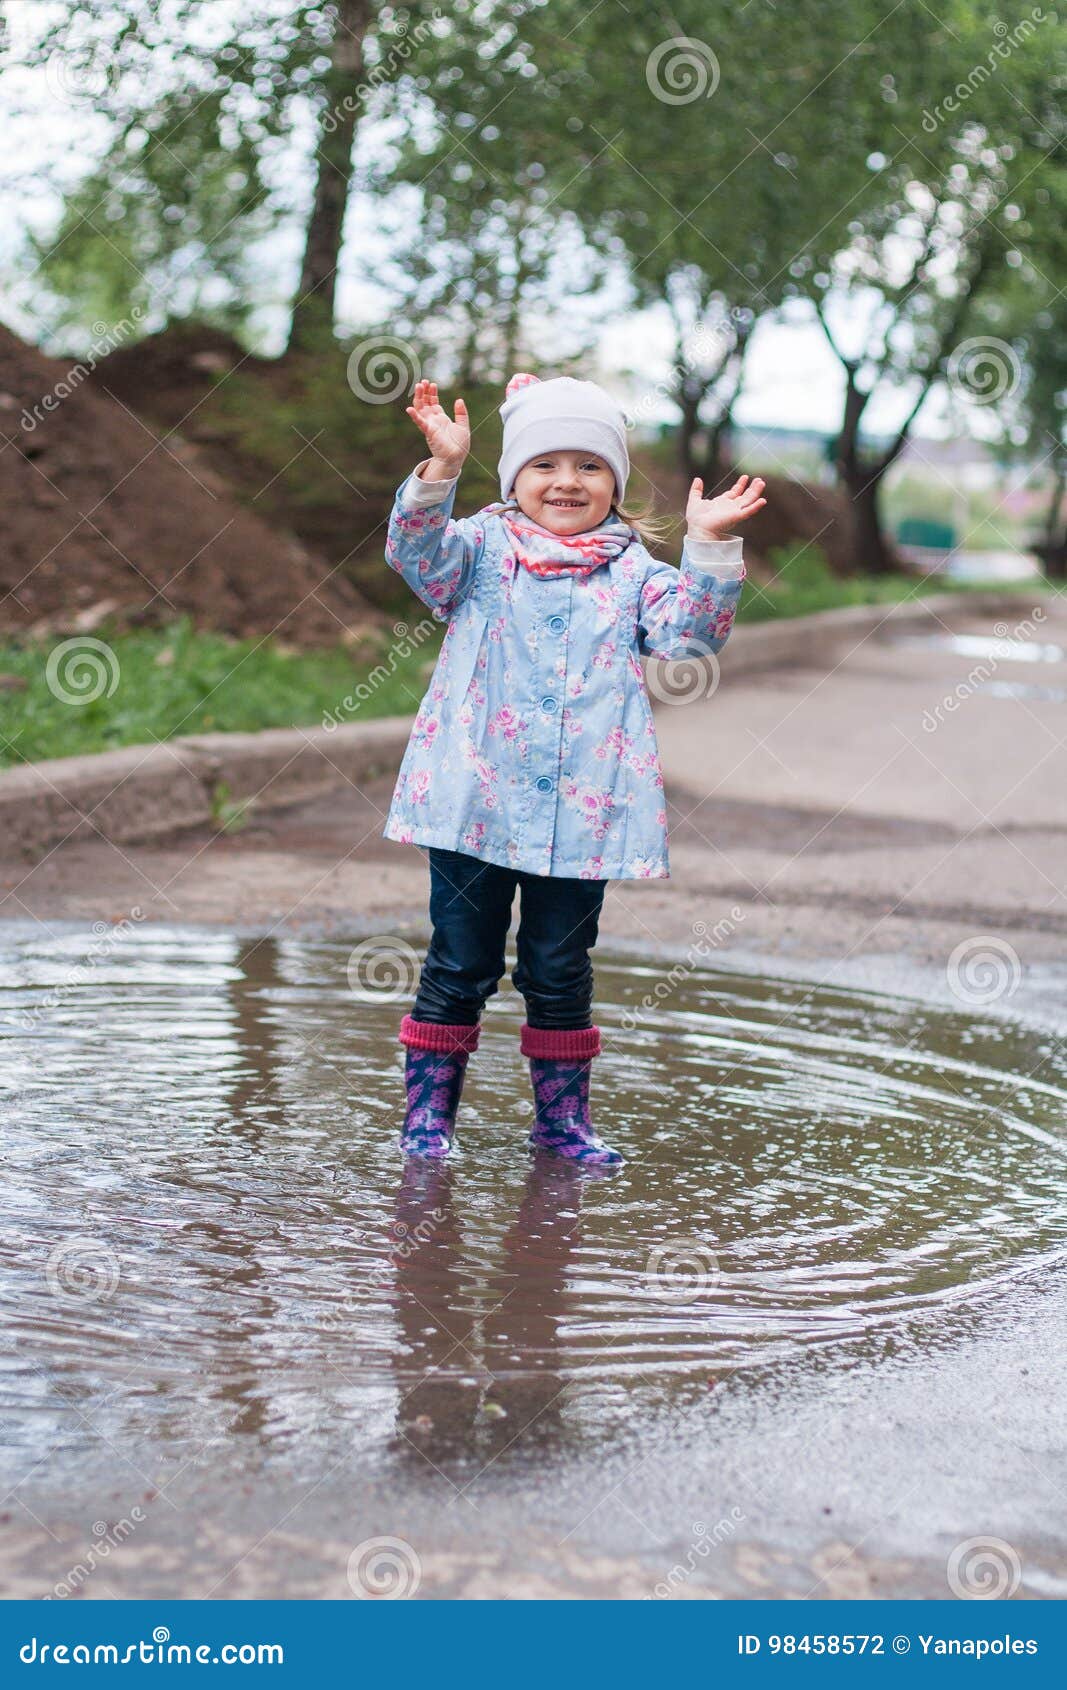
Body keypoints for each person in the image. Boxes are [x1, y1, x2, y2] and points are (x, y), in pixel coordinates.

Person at [382, 371, 767, 1164]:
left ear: (615, 484)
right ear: (514, 477)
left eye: (589, 466)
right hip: (471, 802)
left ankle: (561, 1126)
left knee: (559, 970)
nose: (566, 481)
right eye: (545, 464)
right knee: (460, 961)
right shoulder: (480, 553)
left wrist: (709, 545)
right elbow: (414, 555)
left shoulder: (632, 574)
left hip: (581, 816)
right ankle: (428, 1122)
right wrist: (441, 472)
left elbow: (689, 640)